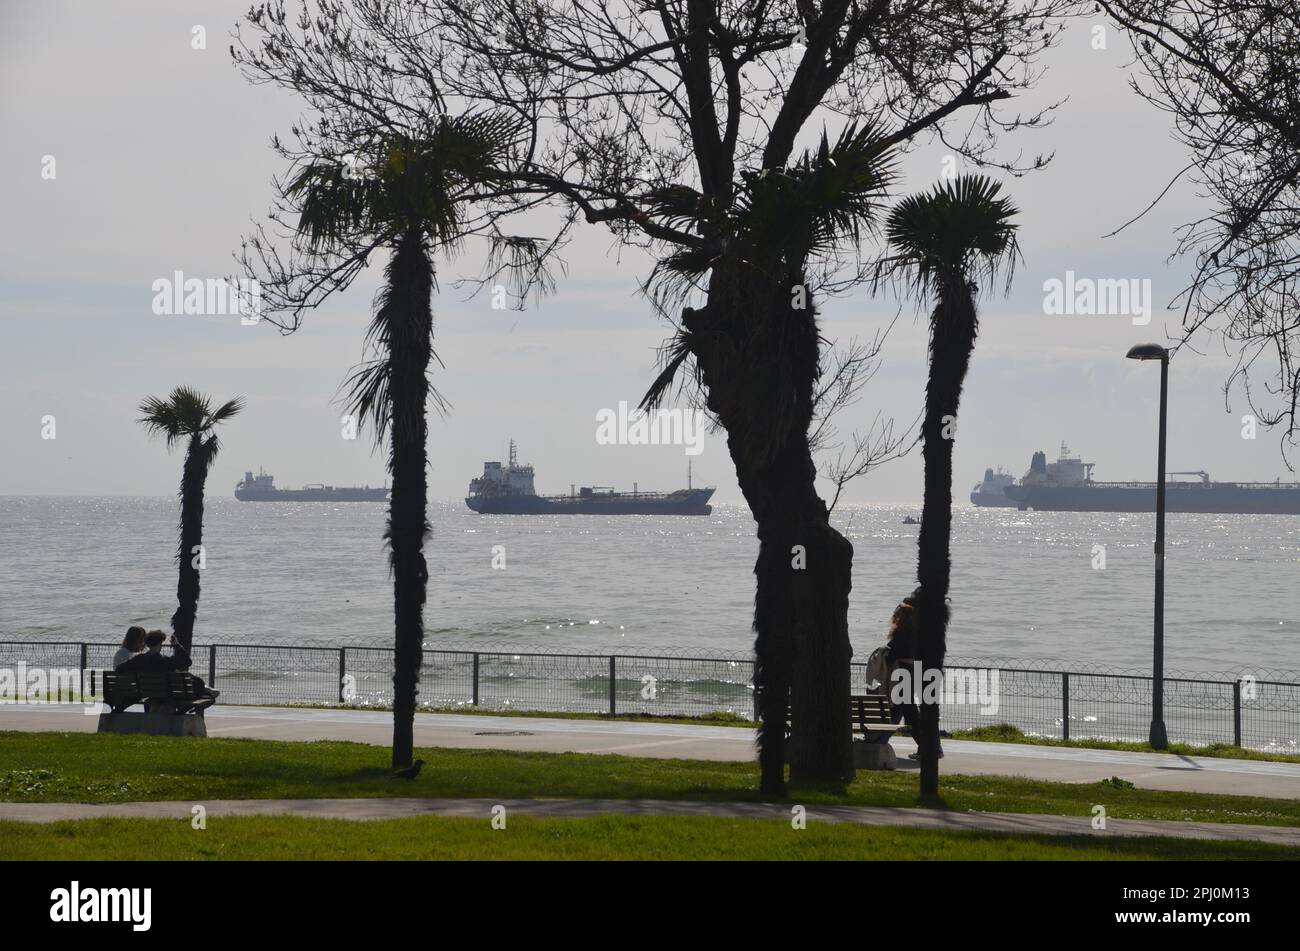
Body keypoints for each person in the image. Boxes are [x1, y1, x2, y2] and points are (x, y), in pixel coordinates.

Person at [886, 592, 943, 760]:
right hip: (921, 671)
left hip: (904, 674)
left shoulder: (901, 632)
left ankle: (927, 748)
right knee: (922, 712)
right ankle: (932, 747)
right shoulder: (921, 630)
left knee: (909, 712)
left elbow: (891, 655)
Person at [117, 630, 218, 710]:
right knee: (197, 683)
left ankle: (207, 690)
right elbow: (187, 662)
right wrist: (177, 645)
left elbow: (119, 669)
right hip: (168, 695)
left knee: (192, 680)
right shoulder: (166, 661)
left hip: (148, 694)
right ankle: (207, 690)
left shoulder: (138, 660)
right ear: (159, 644)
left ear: (147, 644)